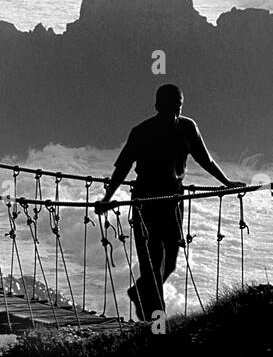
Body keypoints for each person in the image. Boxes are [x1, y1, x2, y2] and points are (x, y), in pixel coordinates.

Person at [94, 84, 241, 321]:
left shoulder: (187, 127)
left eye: (178, 107)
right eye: (169, 108)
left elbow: (205, 159)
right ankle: (155, 324)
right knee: (152, 260)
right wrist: (107, 199)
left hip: (173, 200)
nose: (174, 113)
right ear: (156, 107)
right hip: (146, 201)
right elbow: (122, 168)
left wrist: (225, 182)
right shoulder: (141, 131)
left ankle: (139, 293)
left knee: (170, 261)